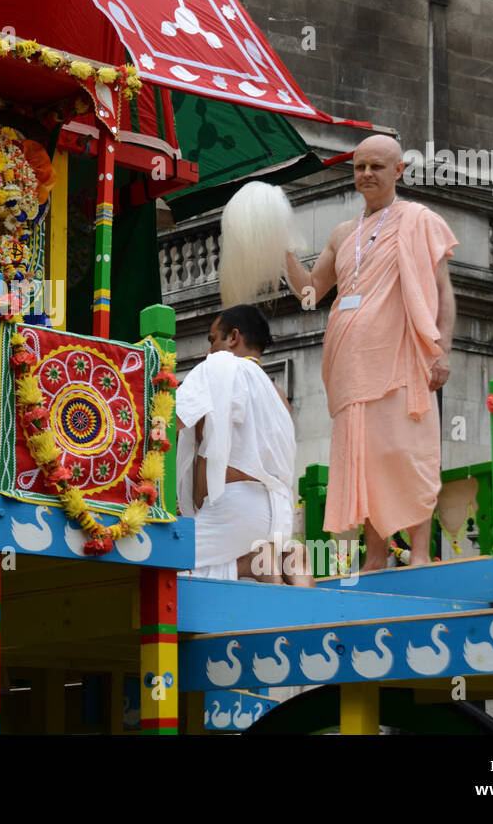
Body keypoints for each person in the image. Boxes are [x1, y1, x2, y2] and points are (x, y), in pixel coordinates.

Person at [283, 134, 457, 570]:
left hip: (403, 357)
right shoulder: (343, 234)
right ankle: (375, 557)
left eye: (376, 167)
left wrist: (442, 351)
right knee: (366, 461)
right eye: (359, 167)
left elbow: (442, 292)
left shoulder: (419, 220)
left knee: (407, 453)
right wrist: (279, 244)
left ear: (398, 171)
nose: (366, 175)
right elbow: (309, 292)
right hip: (350, 365)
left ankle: (419, 554)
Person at [175, 305, 298, 583]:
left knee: (164, 565)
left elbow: (171, 420)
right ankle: (275, 560)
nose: (208, 351)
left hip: (233, 508)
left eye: (212, 340)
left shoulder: (218, 366)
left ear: (233, 338)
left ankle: (256, 564)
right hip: (278, 513)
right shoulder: (279, 395)